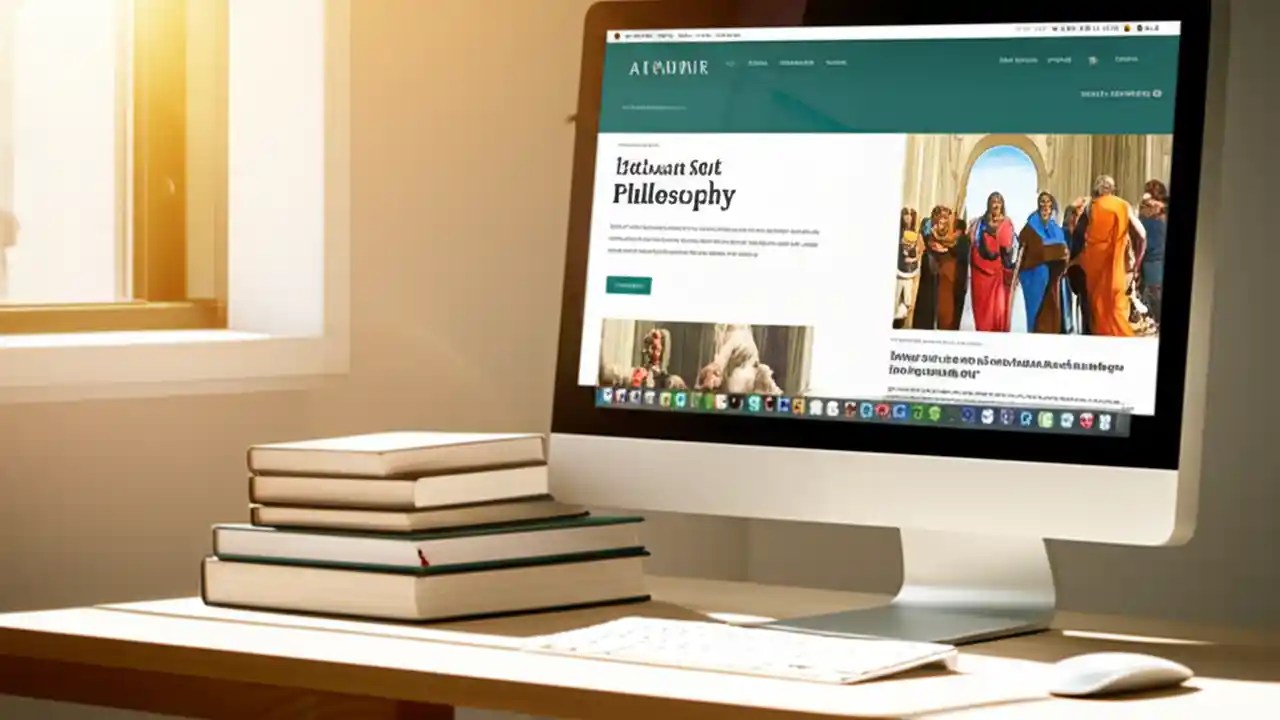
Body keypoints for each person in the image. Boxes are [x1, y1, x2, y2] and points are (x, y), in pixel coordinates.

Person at [1074, 175, 1148, 336]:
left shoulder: (1090, 208)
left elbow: (1078, 238)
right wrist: (1137, 264)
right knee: (1116, 306)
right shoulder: (1123, 206)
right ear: (1112, 189)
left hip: (1093, 265)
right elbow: (1142, 234)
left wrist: (1073, 261)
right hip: (1118, 265)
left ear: (1096, 190)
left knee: (1096, 307)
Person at [1017, 192, 1072, 333]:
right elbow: (1031, 249)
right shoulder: (1031, 226)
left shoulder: (1055, 228)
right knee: (1035, 312)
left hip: (1052, 276)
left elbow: (1063, 248)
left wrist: (1059, 253)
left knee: (1052, 310)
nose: (1045, 205)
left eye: (1048, 202)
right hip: (1034, 275)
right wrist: (1052, 250)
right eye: (1042, 202)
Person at [912, 205, 970, 331]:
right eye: (940, 217)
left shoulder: (958, 241)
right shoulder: (927, 240)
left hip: (949, 294)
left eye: (945, 218)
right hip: (929, 295)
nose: (942, 221)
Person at [967, 192, 1018, 332]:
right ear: (988, 204)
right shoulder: (978, 224)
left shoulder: (1006, 223)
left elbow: (1008, 247)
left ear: (1002, 205)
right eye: (993, 201)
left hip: (998, 274)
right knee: (982, 311)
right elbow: (971, 242)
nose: (996, 205)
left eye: (998, 202)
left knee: (998, 309)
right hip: (980, 273)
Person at [1139, 179, 1168, 323]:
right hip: (1153, 258)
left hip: (1151, 258)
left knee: (1153, 295)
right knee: (1153, 295)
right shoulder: (1160, 211)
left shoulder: (1147, 211)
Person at [893, 207, 924, 328]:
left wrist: (913, 259)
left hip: (909, 270)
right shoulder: (897, 232)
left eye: (911, 215)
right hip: (897, 269)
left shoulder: (916, 235)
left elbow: (920, 252)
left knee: (907, 300)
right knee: (895, 298)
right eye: (906, 215)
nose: (908, 218)